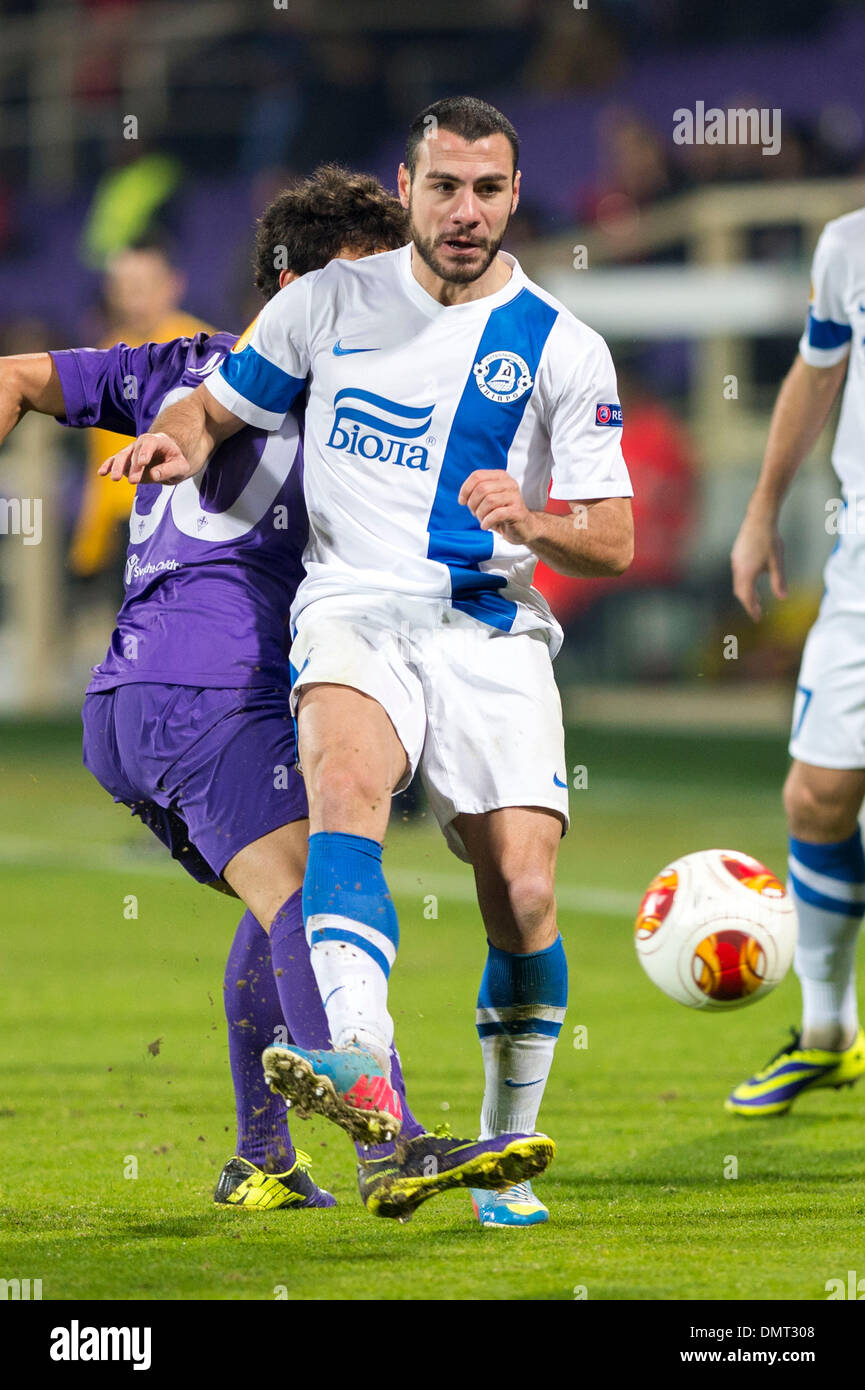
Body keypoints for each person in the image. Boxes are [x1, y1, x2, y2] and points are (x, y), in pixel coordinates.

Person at [104, 97, 634, 1228]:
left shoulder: (561, 345)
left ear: (513, 199)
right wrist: (171, 440)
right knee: (341, 790)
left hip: (488, 630)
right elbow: (216, 407)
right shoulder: (328, 301)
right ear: (407, 187)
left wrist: (538, 525)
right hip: (350, 609)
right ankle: (359, 1059)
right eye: (444, 186)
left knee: (524, 893)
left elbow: (615, 537)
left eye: (487, 190)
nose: (464, 211)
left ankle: (503, 1151)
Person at [0, 165, 550, 1221]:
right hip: (213, 696)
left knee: (279, 907)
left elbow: (18, 377)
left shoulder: (178, 364)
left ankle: (263, 1155)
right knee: (310, 898)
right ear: (300, 284)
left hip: (134, 700)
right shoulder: (344, 394)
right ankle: (389, 1148)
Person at [729, 206, 865, 1116]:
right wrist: (761, 508)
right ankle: (827, 1032)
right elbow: (816, 376)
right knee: (815, 796)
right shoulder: (847, 243)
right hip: (860, 567)